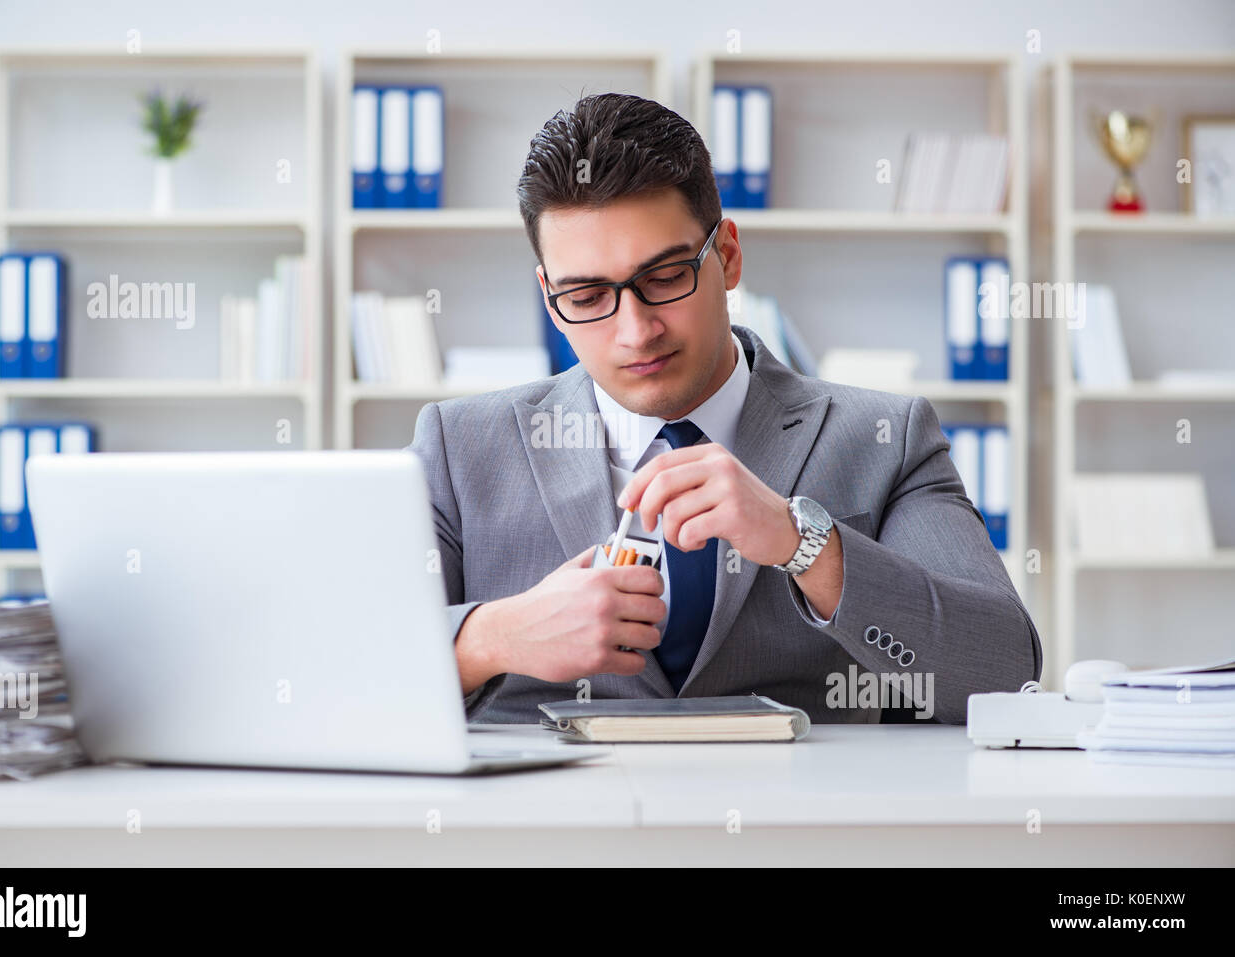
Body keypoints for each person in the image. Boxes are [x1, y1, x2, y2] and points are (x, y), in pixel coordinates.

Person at [406, 92, 1041, 725]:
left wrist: (804, 543)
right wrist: (491, 640)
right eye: (589, 294)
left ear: (728, 255)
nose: (636, 331)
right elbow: (330, 675)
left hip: (795, 820)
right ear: (550, 299)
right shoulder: (460, 449)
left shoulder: (884, 440)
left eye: (664, 278)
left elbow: (1002, 672)